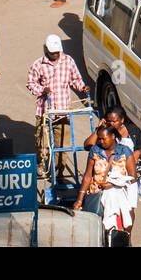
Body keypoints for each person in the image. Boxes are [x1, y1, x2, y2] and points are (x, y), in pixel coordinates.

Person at [26, 33, 90, 184]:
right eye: (52, 53)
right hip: (45, 112)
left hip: (62, 112)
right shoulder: (38, 65)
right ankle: (41, 165)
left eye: (57, 52)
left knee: (62, 144)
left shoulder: (68, 61)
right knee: (42, 143)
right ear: (46, 50)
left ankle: (58, 172)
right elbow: (31, 83)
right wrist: (42, 90)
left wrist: (83, 88)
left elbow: (76, 79)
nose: (55, 55)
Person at [75, 124, 138, 242]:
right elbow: (88, 176)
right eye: (99, 138)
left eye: (104, 138)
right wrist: (80, 198)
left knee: (118, 230)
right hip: (96, 194)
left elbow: (133, 177)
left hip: (118, 197)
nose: (101, 141)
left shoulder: (125, 152)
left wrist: (113, 184)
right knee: (97, 231)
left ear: (113, 136)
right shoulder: (95, 151)